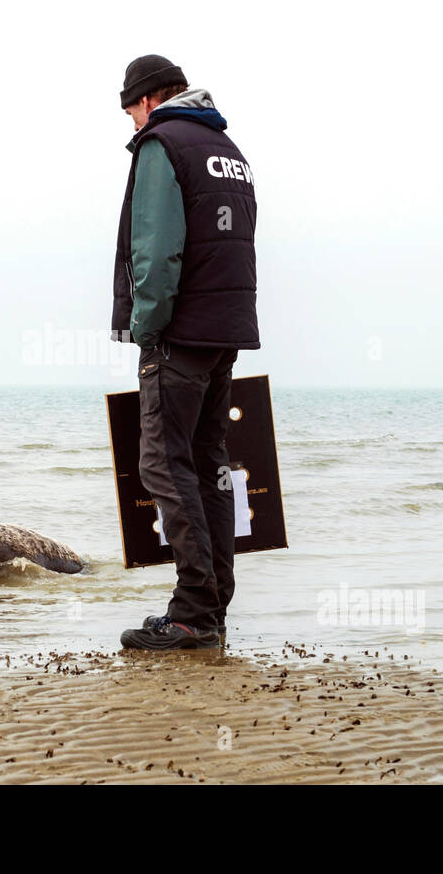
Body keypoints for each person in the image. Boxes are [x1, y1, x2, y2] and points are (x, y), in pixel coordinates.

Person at [111, 55, 260, 650]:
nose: (130, 124)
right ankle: (214, 603)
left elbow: (156, 251)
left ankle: (193, 611)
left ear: (149, 100)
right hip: (226, 329)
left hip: (180, 334)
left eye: (129, 111)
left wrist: (147, 329)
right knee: (207, 465)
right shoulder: (229, 150)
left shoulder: (161, 145)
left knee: (164, 465)